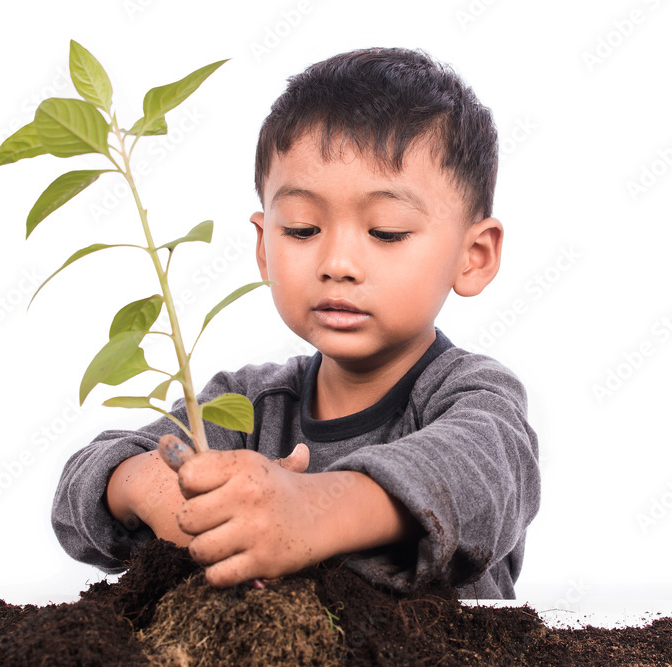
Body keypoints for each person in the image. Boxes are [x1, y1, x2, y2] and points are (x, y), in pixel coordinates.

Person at [52, 47, 540, 599]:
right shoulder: (246, 406)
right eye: (304, 229)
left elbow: (486, 472)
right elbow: (77, 500)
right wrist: (151, 488)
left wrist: (310, 510)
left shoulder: (471, 397)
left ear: (473, 255)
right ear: (264, 247)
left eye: (386, 231)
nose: (337, 264)